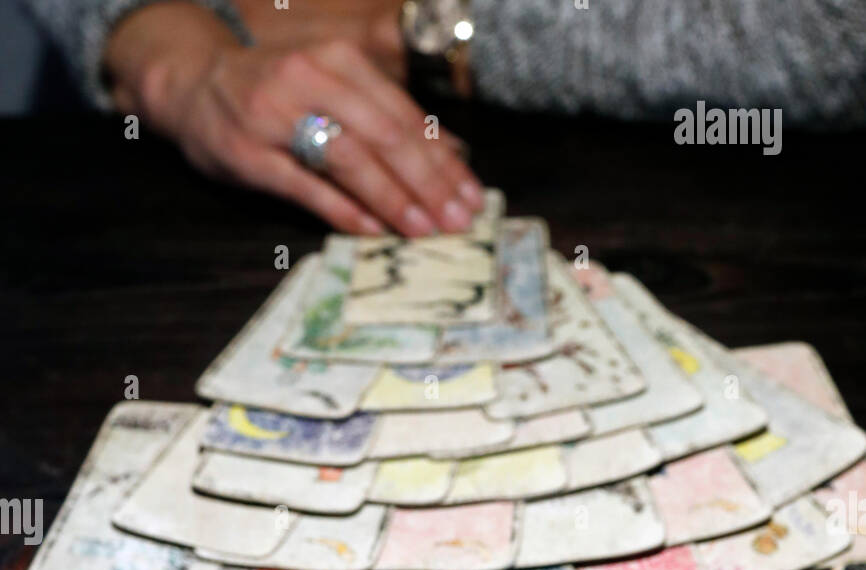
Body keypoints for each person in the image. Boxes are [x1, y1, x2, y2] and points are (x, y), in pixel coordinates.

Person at [22, 1, 866, 236]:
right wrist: (158, 43)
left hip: (728, 194)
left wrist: (410, 30)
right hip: (128, 197)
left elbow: (832, 38)